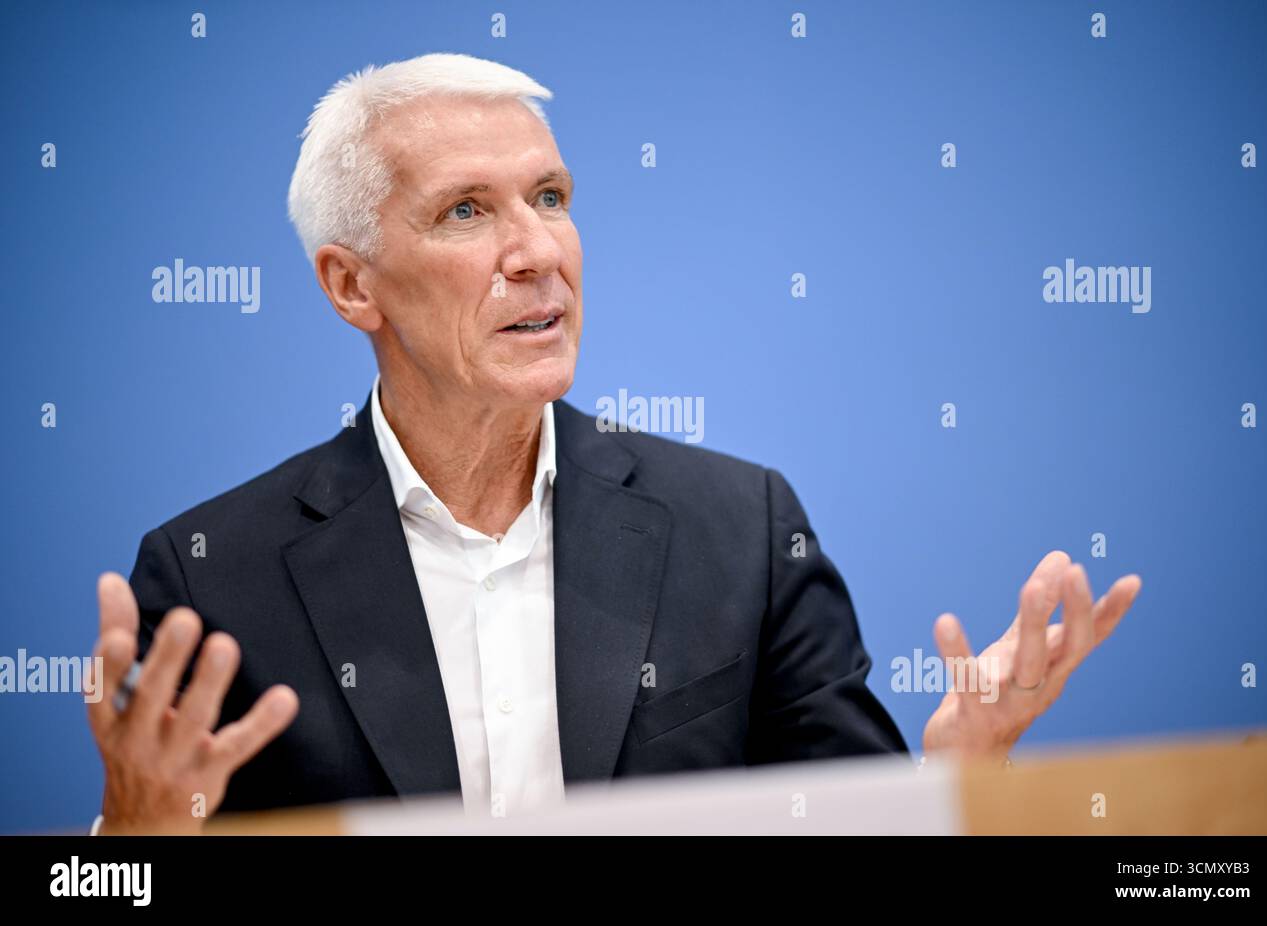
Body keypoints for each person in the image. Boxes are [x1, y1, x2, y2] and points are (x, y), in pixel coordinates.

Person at [86, 52, 1141, 835]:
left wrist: (956, 770)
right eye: (465, 211)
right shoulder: (211, 578)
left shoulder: (740, 528)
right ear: (350, 283)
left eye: (550, 198)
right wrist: (130, 838)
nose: (538, 250)